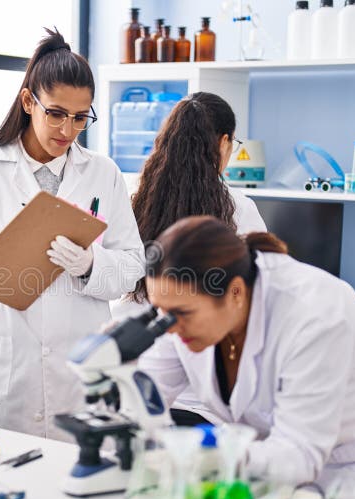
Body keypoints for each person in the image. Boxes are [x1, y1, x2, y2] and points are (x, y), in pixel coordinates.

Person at [0, 29, 144, 439]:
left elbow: (132, 265)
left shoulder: (103, 173)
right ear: (29, 101)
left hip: (79, 375)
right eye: (56, 113)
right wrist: (12, 253)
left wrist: (91, 264)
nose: (68, 129)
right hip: (6, 376)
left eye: (80, 117)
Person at [141, 215, 355, 499]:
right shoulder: (182, 313)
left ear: (235, 293)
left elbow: (299, 452)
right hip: (278, 478)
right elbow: (144, 397)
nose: (170, 327)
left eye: (182, 314)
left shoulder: (316, 314)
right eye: (161, 313)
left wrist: (206, 455)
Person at [113, 92, 267, 426]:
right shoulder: (239, 209)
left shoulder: (134, 201)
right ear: (224, 143)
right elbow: (252, 297)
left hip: (134, 377)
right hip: (203, 393)